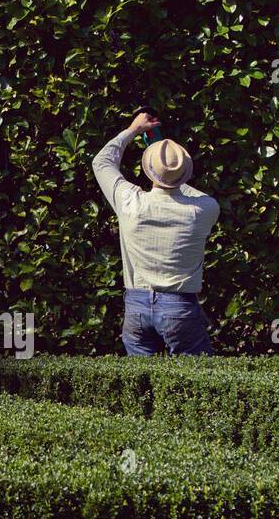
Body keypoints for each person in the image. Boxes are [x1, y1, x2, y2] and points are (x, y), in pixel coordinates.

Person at [91, 110, 220, 356]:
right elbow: (189, 192)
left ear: (148, 172)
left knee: (141, 386)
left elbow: (102, 162)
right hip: (179, 307)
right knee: (195, 382)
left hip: (136, 305)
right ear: (185, 174)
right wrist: (173, 173)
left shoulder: (130, 202)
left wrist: (133, 130)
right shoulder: (204, 209)